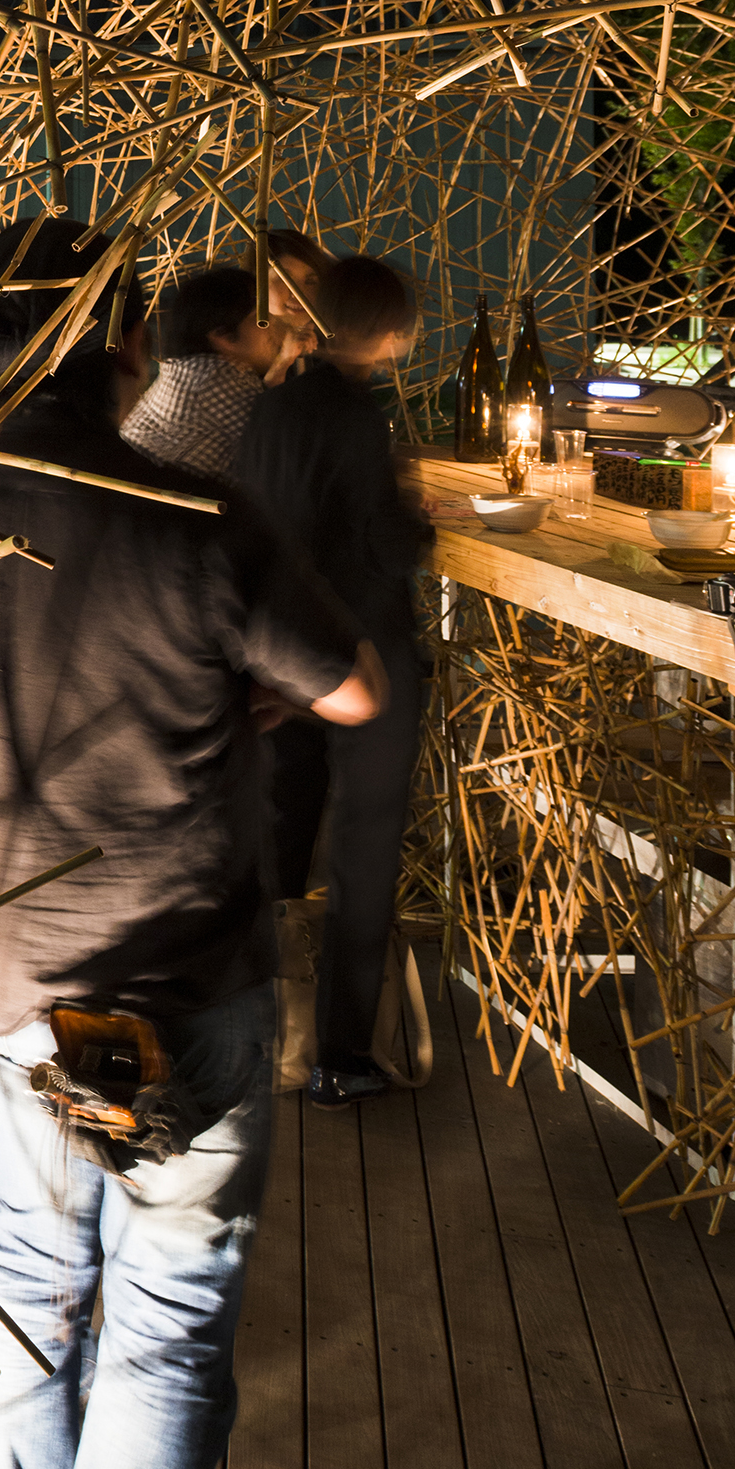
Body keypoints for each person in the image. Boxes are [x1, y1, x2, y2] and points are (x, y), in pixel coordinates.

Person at [0, 217, 384, 1469]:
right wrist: (241, 703)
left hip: (15, 986)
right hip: (177, 982)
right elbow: (356, 688)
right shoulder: (193, 517)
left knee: (25, 1310)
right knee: (165, 1326)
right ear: (119, 348)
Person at [236, 252, 431, 1109]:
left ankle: (256, 1035)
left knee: (277, 839)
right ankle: (342, 1055)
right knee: (364, 846)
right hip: (367, 653)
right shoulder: (358, 418)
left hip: (284, 652)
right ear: (390, 331)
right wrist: (416, 514)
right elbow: (383, 545)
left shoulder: (272, 406)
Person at [122, 262, 304, 482]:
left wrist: (283, 363)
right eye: (260, 319)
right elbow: (287, 447)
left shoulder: (186, 372)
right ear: (223, 337)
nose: (273, 325)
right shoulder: (218, 378)